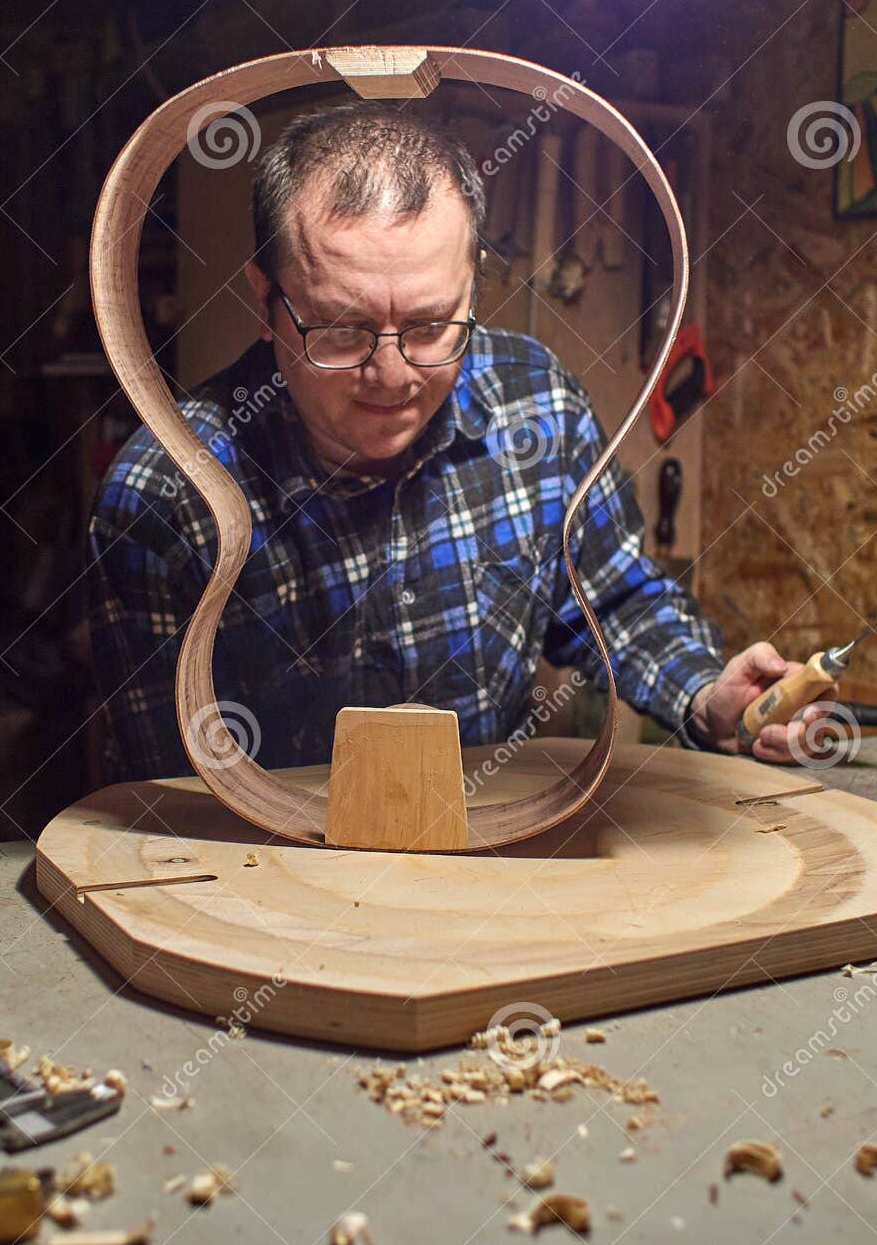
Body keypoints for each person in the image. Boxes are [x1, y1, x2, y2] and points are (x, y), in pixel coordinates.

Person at [89, 102, 832, 782]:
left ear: (470, 288)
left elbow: (615, 602)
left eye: (428, 327)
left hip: (492, 859)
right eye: (342, 330)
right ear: (264, 301)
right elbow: (167, 793)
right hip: (274, 884)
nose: (390, 374)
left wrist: (705, 695)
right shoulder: (165, 496)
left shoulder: (535, 405)